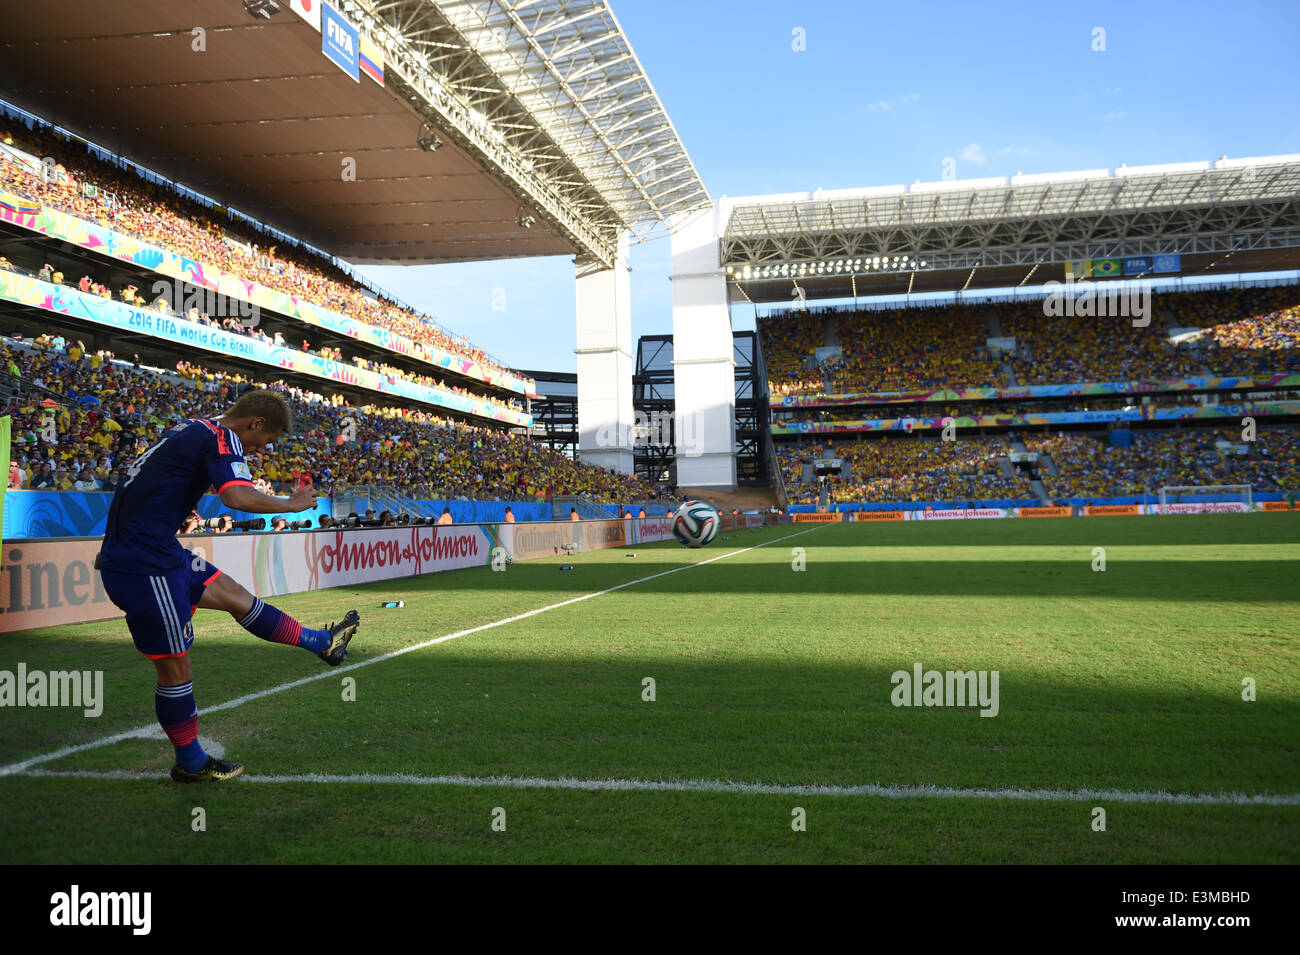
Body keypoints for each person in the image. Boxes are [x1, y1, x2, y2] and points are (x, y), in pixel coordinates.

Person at [96, 389, 360, 783]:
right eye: (264, 440)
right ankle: (191, 763)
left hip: (160, 551)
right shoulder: (222, 438)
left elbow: (144, 483)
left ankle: (323, 644)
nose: (258, 449)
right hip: (145, 565)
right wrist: (291, 504)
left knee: (237, 596)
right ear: (254, 423)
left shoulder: (191, 427)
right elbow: (235, 495)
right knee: (174, 669)